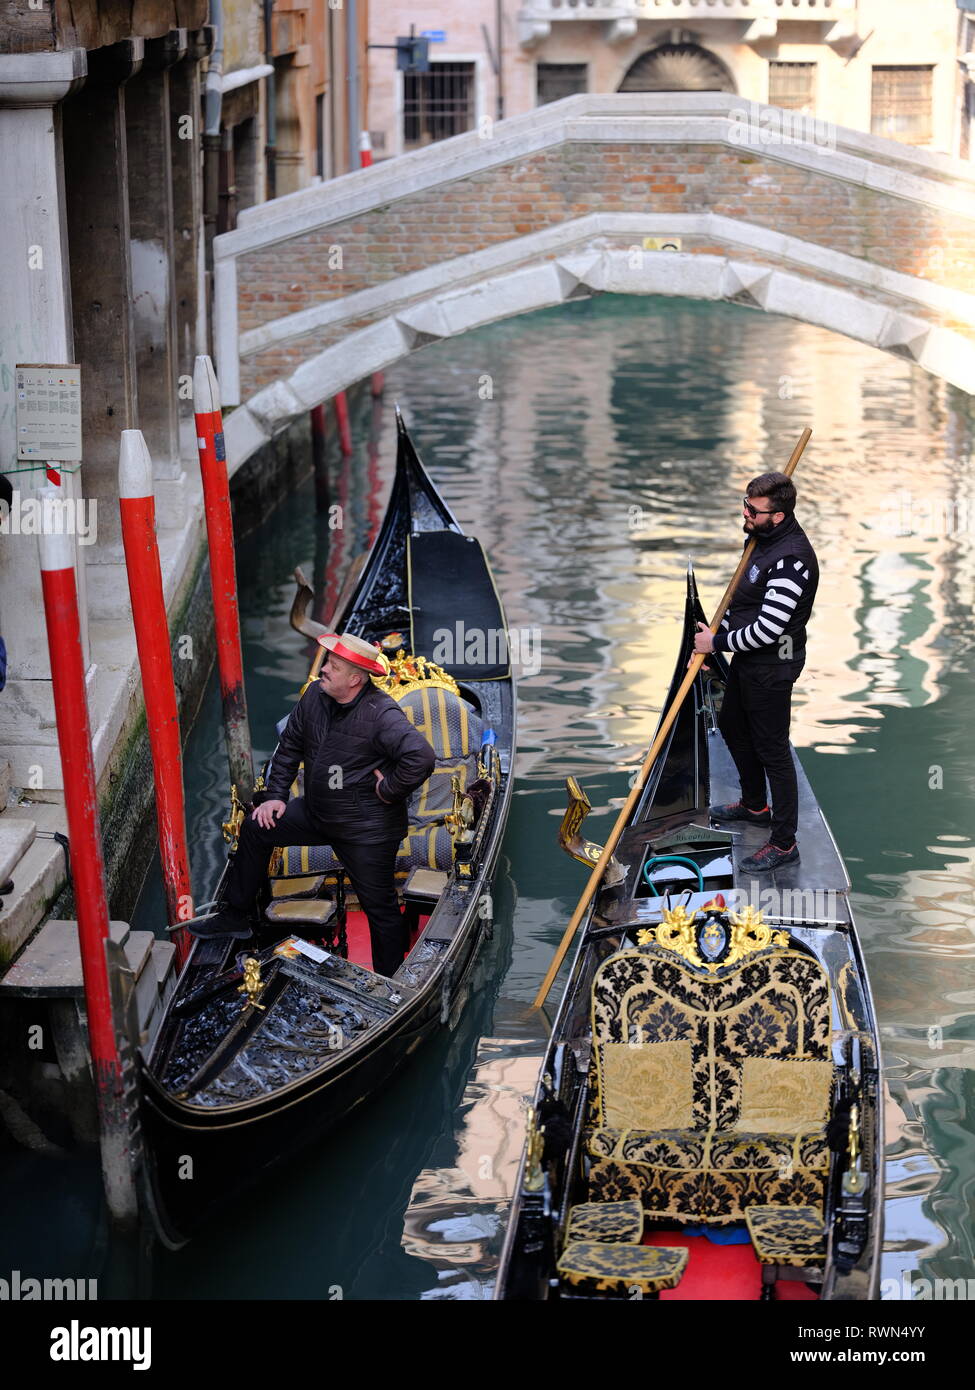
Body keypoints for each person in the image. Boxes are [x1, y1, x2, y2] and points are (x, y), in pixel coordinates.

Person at [191, 631, 436, 977]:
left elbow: (422, 758)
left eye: (332, 666)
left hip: (365, 829)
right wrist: (276, 796)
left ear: (354, 679)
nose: (323, 670)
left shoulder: (381, 714)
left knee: (379, 909)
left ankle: (387, 983)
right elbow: (289, 746)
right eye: (325, 663)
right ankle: (235, 916)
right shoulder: (314, 698)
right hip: (318, 812)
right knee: (256, 826)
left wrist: (389, 791)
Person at [693, 471, 819, 873]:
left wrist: (717, 644)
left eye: (753, 509)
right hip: (749, 659)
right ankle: (754, 805)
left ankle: (784, 844)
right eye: (744, 504)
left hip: (772, 666)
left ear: (778, 517)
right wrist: (722, 631)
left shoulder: (792, 560)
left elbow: (769, 629)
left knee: (773, 752)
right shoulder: (761, 539)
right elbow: (745, 600)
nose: (745, 513)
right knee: (732, 725)